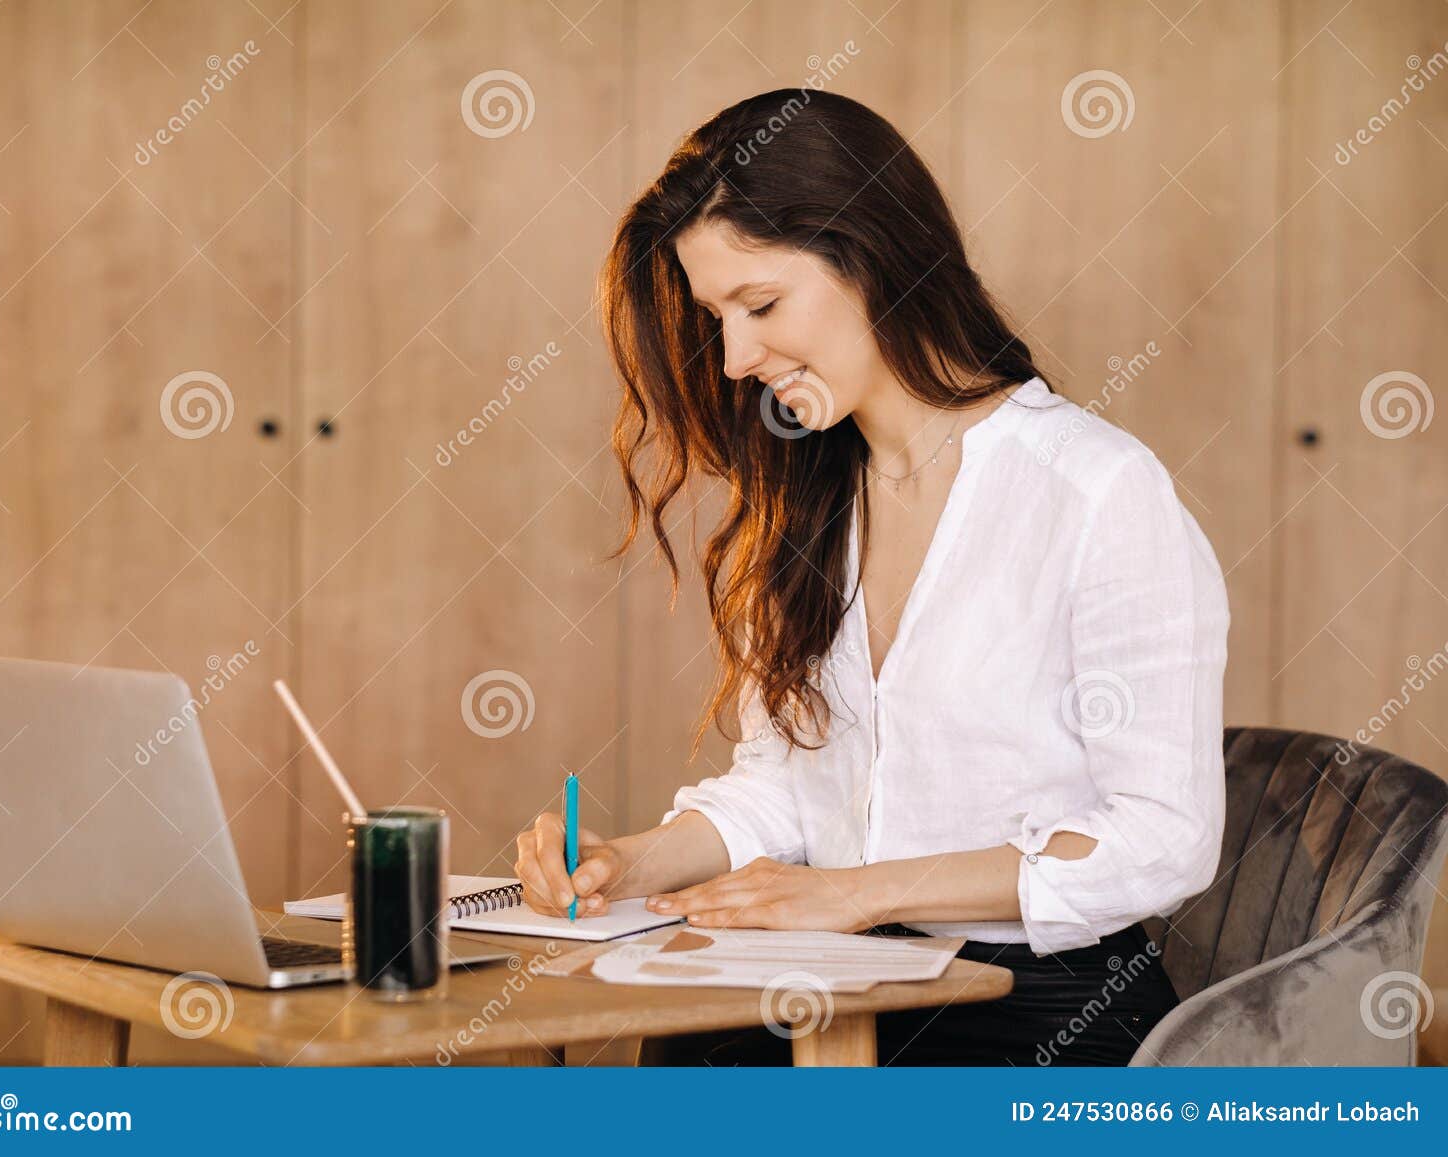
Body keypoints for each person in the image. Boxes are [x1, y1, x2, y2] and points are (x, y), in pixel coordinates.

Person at [514, 89, 1229, 1066]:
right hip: (832, 972)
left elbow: (1161, 837)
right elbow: (781, 791)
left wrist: (859, 891)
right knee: (683, 1059)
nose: (733, 357)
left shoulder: (1095, 489)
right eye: (717, 317)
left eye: (759, 305)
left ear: (872, 254)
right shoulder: (812, 498)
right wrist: (628, 863)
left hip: (1036, 1003)